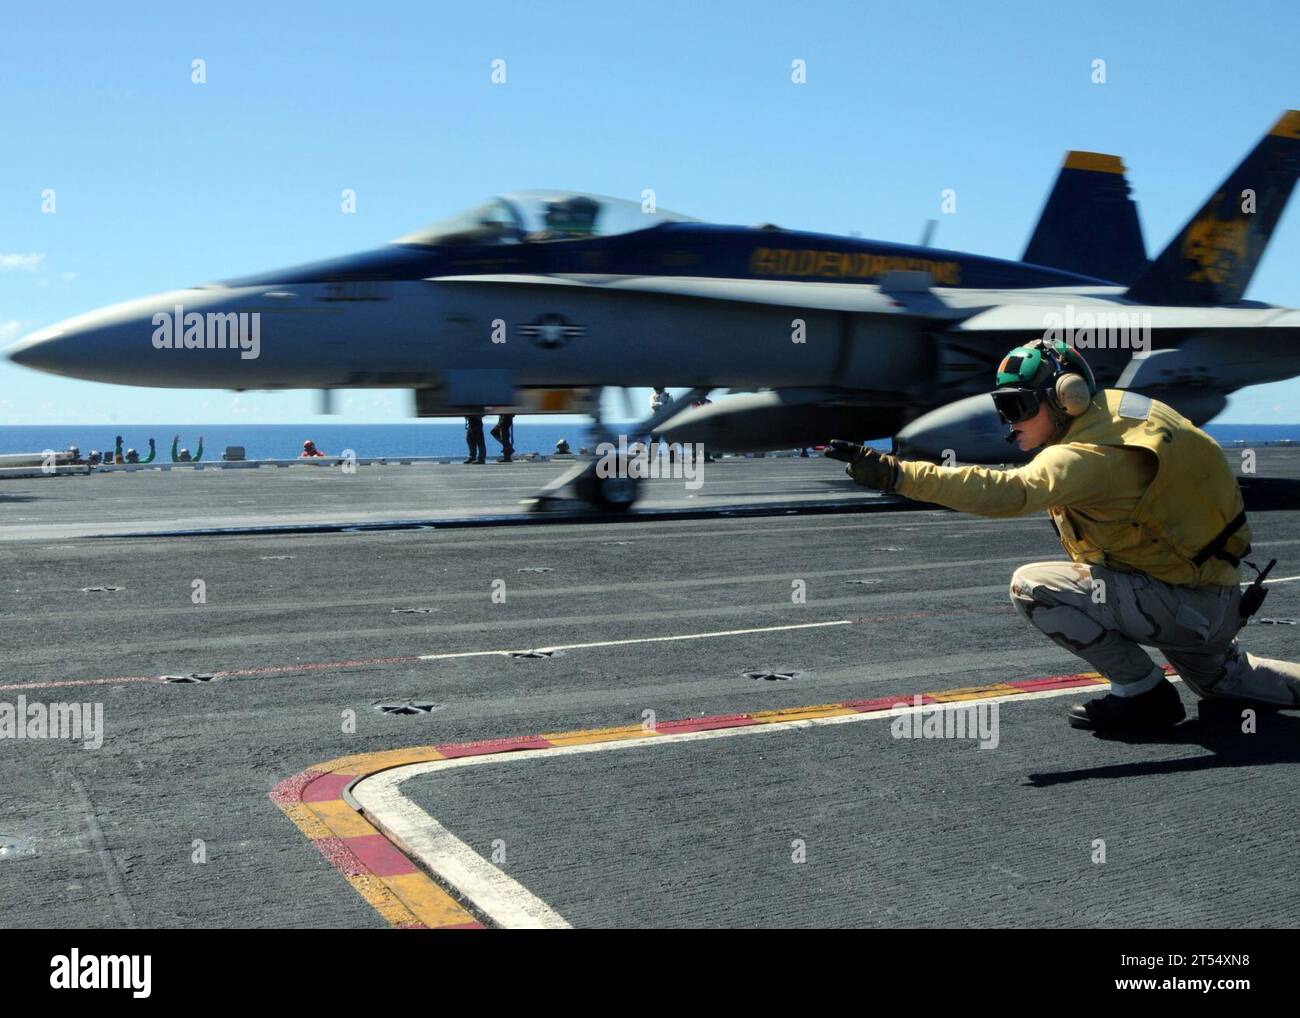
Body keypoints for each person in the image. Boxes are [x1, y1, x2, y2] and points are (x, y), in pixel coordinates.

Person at [828, 338, 1300, 731]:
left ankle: (1143, 695)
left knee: (1033, 586)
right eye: (1001, 407)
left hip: (1180, 605)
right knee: (1227, 682)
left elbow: (1010, 492)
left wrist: (897, 475)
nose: (1009, 422)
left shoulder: (1085, 455)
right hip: (1209, 601)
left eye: (1017, 406)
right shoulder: (1118, 414)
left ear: (1064, 398)